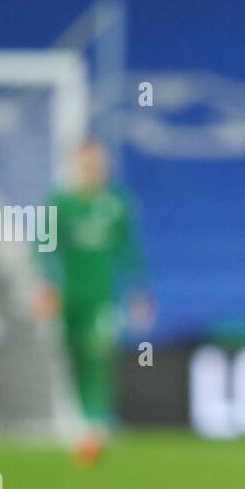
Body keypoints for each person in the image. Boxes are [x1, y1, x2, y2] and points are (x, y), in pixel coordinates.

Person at [33, 138, 151, 464]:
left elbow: (129, 249)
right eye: (86, 164)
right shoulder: (59, 203)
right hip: (70, 294)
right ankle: (78, 420)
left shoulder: (117, 202)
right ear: (76, 166)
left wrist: (139, 289)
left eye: (96, 163)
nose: (92, 169)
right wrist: (46, 285)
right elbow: (43, 246)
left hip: (104, 294)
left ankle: (96, 425)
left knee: (98, 353)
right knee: (71, 356)